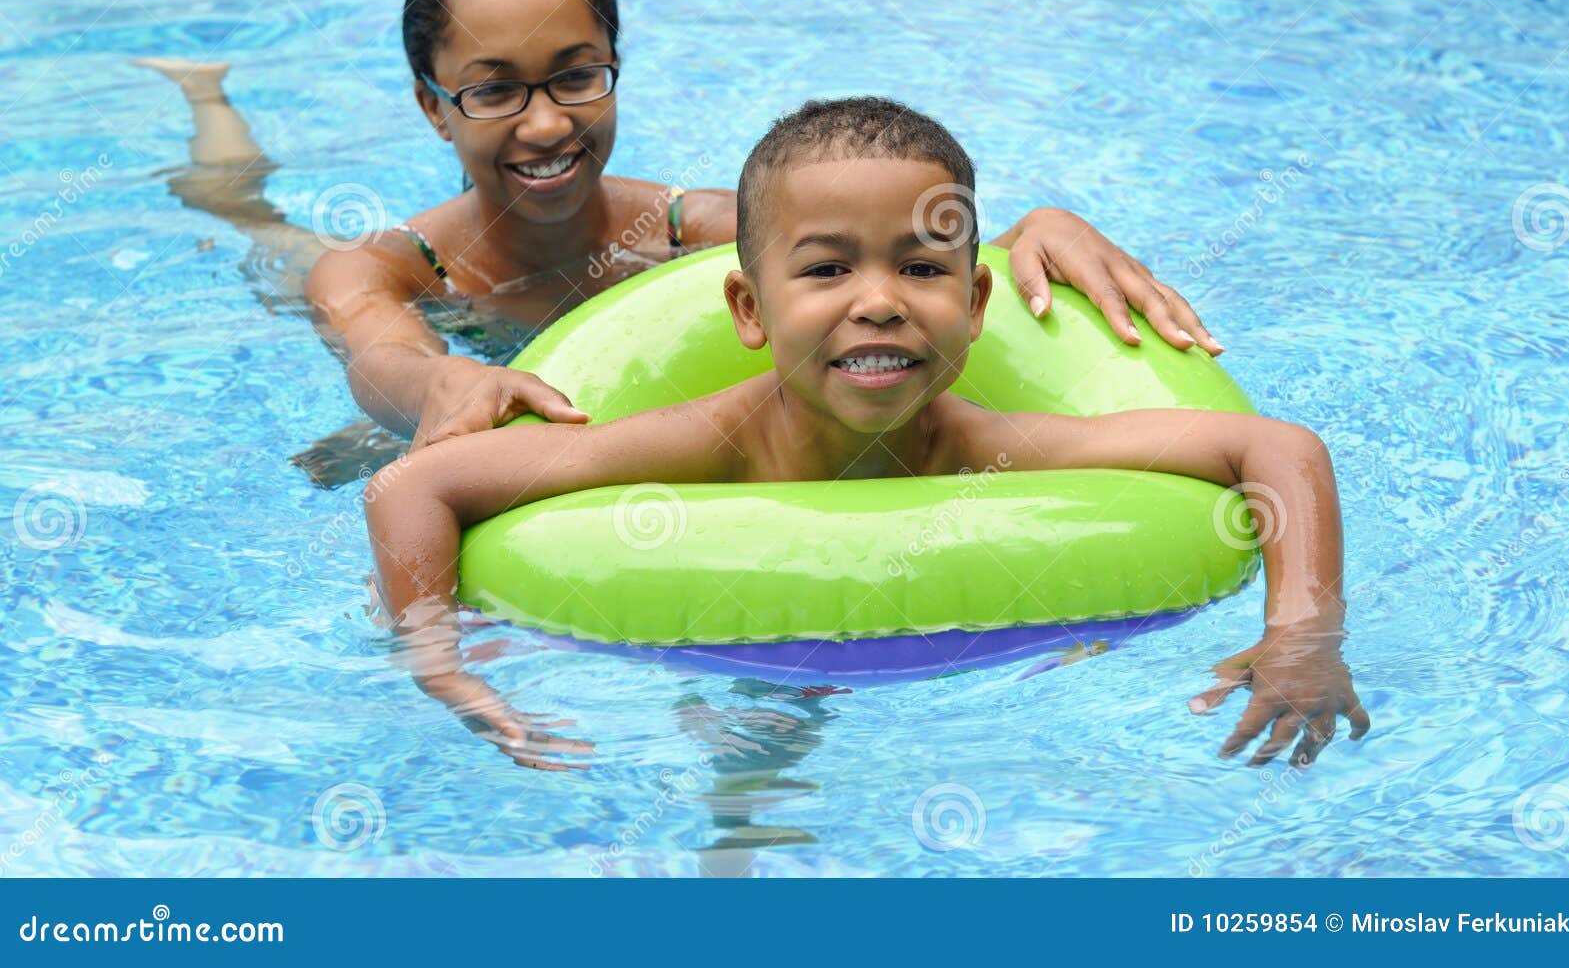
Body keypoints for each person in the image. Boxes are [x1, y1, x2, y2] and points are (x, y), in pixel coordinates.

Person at [364, 96, 1368, 772]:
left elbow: (1278, 448)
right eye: (828, 270)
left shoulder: (986, 445)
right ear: (748, 313)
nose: (879, 304)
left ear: (978, 306)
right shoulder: (701, 444)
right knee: (748, 772)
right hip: (722, 637)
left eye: (923, 270)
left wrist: (1302, 636)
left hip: (904, 632)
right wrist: (438, 658)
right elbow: (411, 489)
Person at [138, 0, 1223, 486]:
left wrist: (1040, 222)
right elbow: (382, 352)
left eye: (577, 73)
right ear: (433, 109)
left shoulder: (676, 231)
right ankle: (211, 110)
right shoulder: (385, 269)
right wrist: (434, 393)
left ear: (615, 63)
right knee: (262, 231)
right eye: (493, 92)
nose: (548, 122)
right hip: (454, 315)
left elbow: (866, 225)